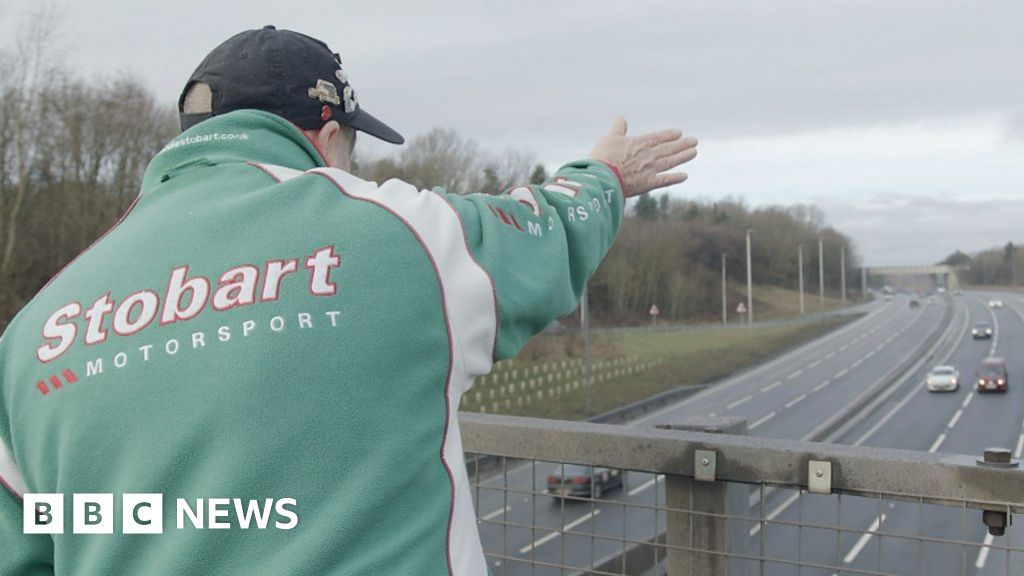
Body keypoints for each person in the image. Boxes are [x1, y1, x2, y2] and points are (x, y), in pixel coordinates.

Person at [0, 26, 696, 575]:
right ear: (326, 136)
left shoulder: (33, 331)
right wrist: (604, 176)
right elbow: (543, 234)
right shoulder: (397, 235)